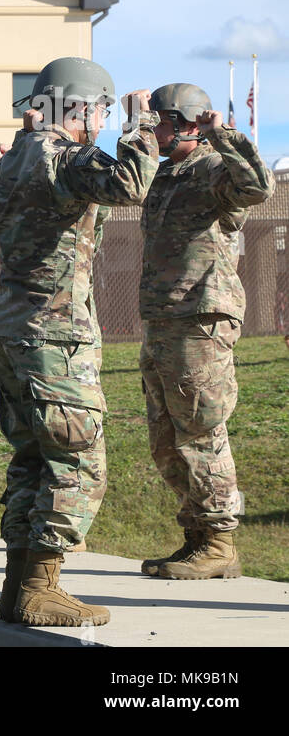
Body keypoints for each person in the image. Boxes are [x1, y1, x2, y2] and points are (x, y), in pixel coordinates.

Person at [0, 57, 158, 626]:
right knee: (78, 459)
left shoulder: (15, 156)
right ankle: (41, 588)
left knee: (32, 459)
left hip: (11, 328)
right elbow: (131, 184)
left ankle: (18, 589)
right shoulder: (64, 156)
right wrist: (141, 126)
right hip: (54, 334)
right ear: (80, 107)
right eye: (103, 111)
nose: (105, 121)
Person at [137, 84, 274, 579]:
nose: (154, 129)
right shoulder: (162, 171)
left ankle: (220, 542)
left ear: (189, 124)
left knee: (200, 428)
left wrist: (226, 135)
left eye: (160, 121)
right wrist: (137, 130)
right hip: (163, 316)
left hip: (201, 316)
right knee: (166, 438)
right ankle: (197, 536)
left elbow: (259, 187)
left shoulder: (214, 166)